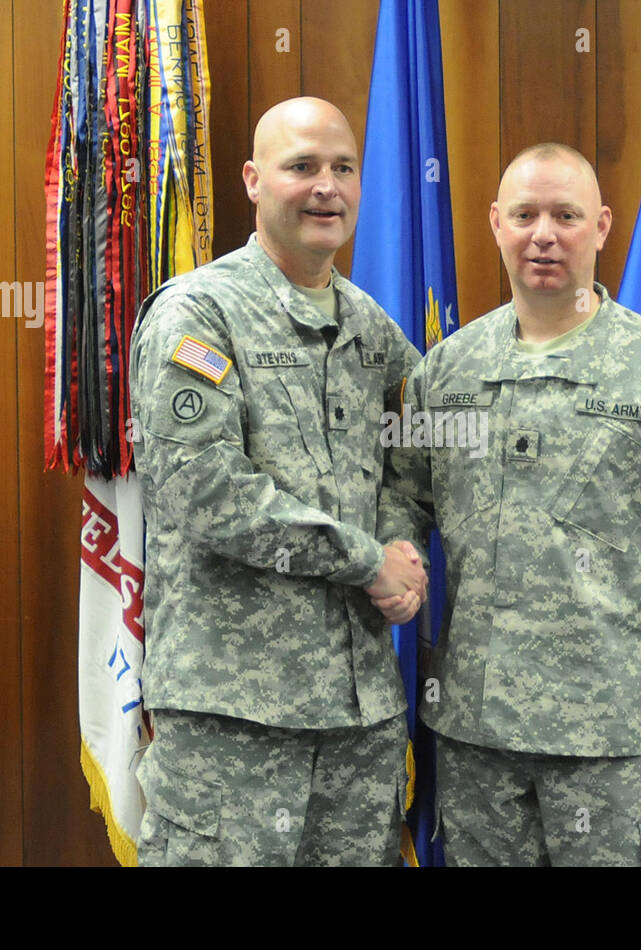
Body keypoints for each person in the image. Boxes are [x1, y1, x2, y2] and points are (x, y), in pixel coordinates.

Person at [376, 143, 641, 866]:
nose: (543, 234)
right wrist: (396, 555)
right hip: (477, 740)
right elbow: (401, 497)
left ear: (603, 226)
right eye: (524, 214)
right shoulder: (446, 371)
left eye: (566, 215)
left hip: (620, 743)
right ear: (496, 223)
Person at [128, 96, 428, 866]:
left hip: (359, 716)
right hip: (233, 719)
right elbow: (206, 491)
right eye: (302, 167)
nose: (326, 187)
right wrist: (368, 561)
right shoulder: (200, 313)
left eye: (343, 168)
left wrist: (398, 535)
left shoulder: (370, 326)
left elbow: (418, 450)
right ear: (254, 180)